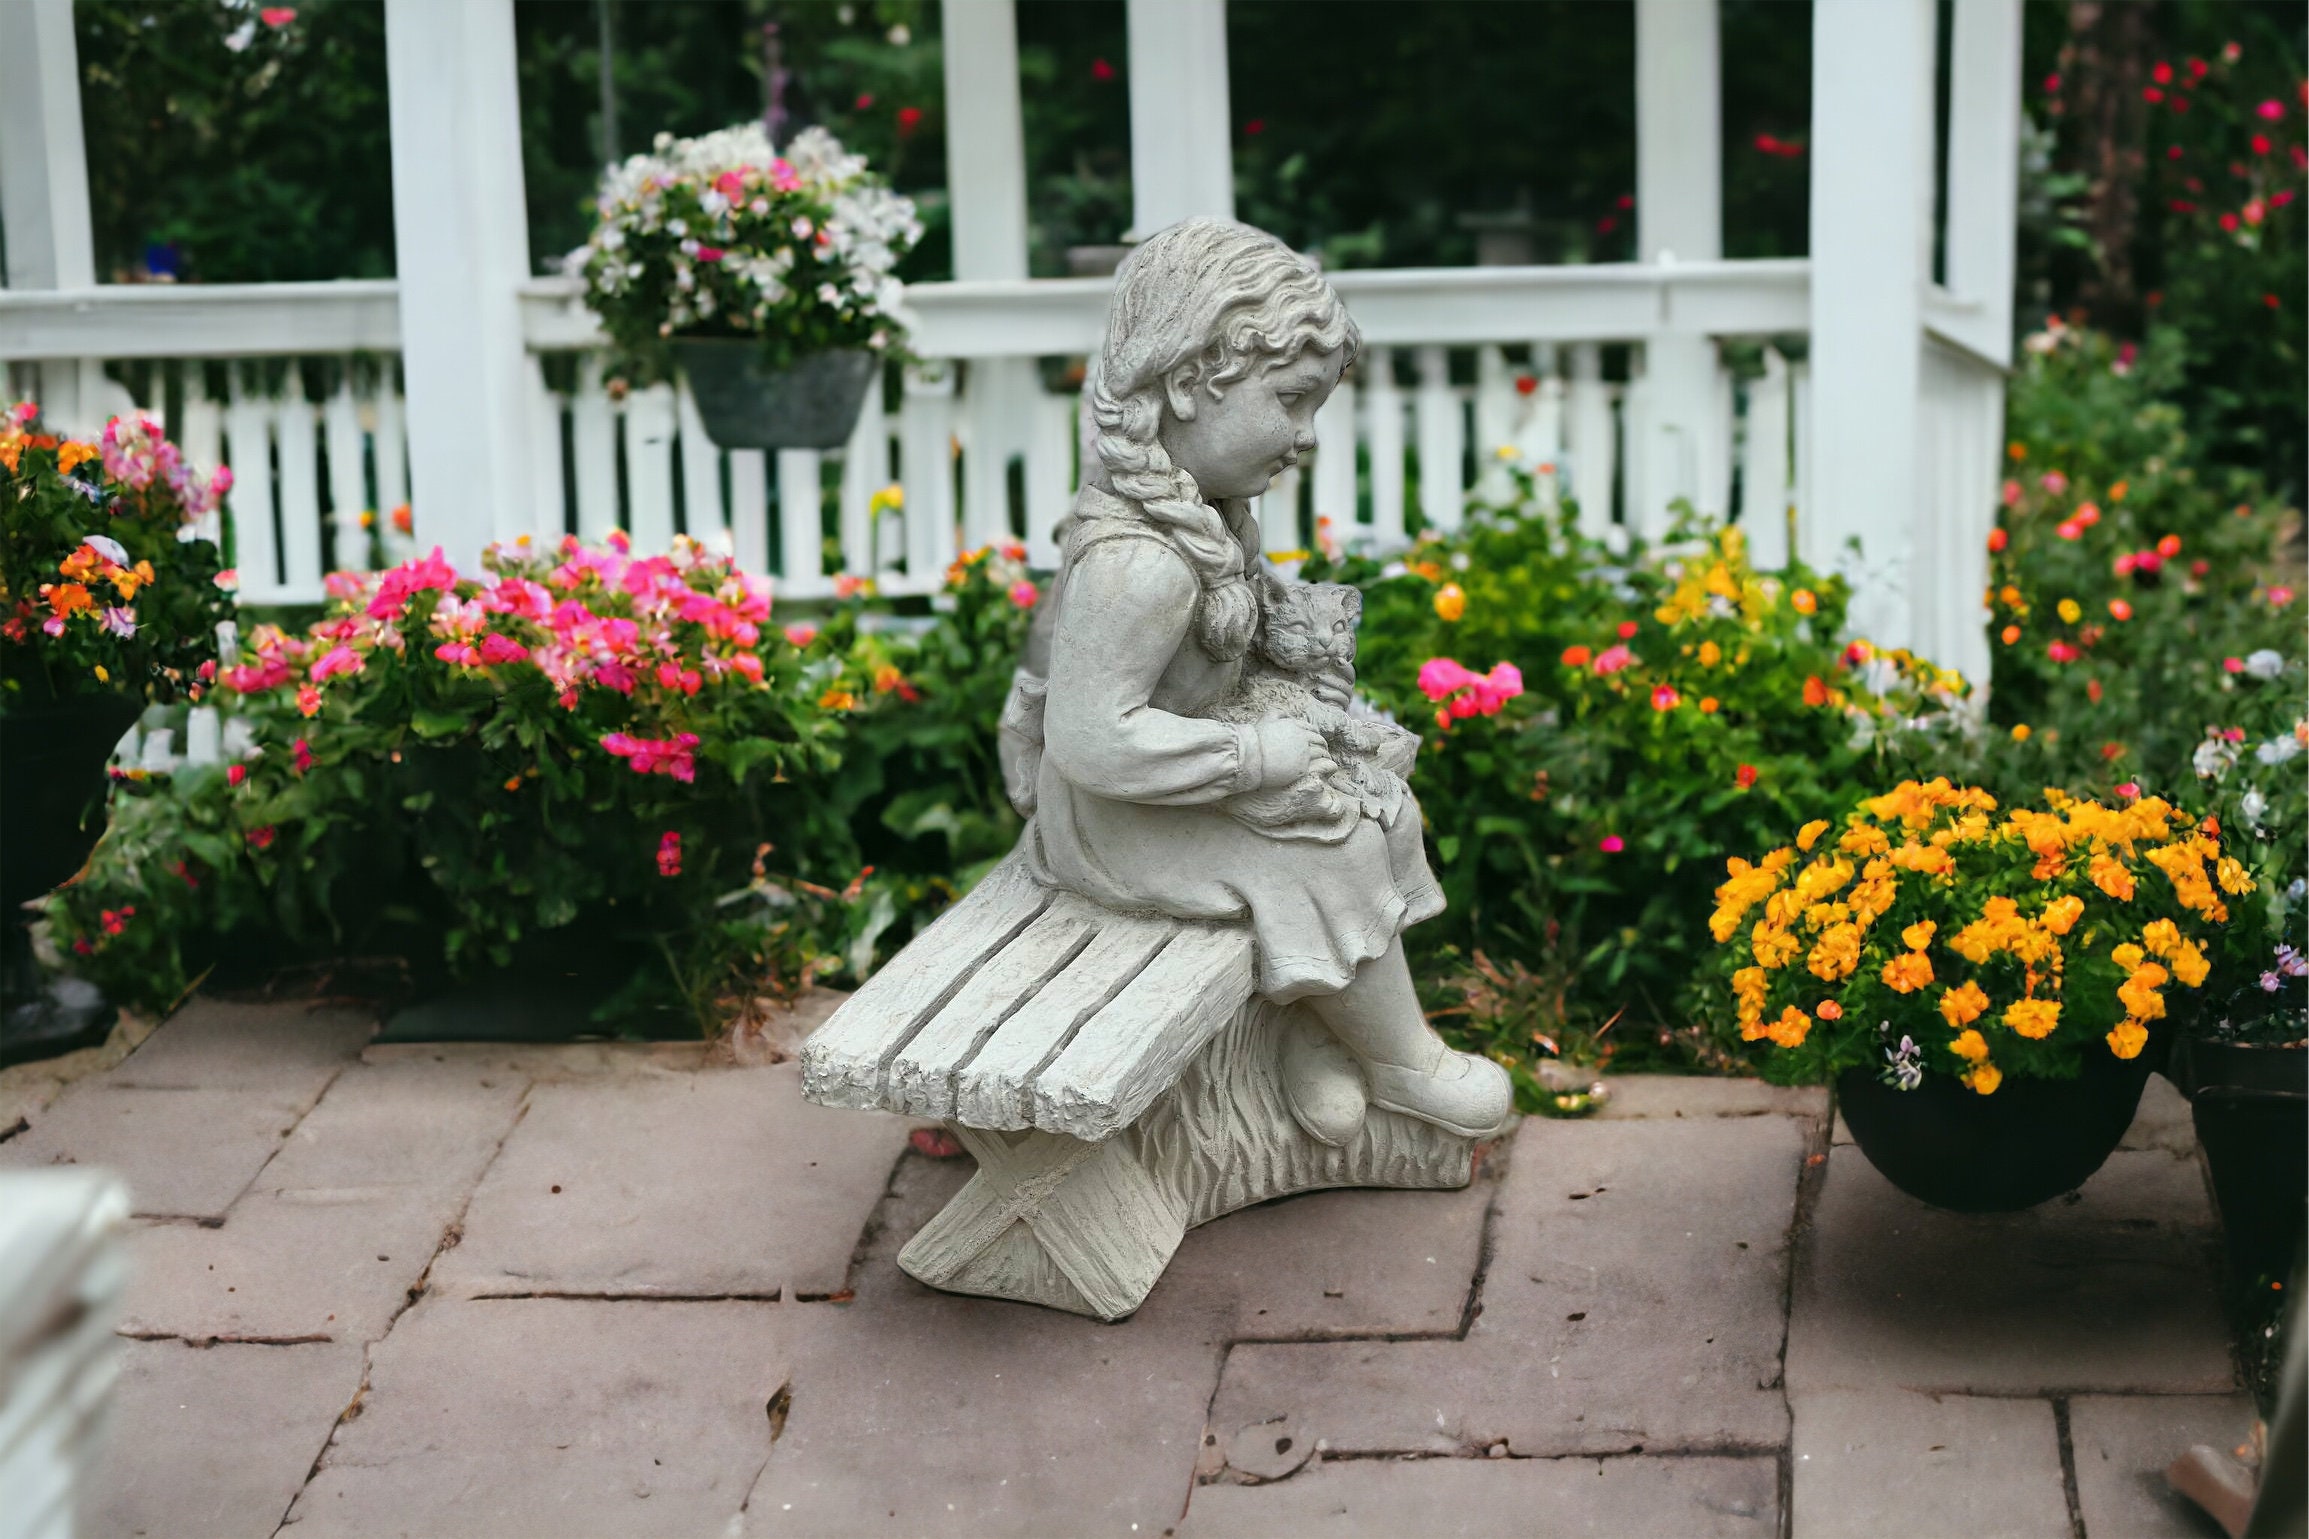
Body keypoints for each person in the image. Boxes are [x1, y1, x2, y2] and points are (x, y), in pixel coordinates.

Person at [1005, 217, 1513, 1147]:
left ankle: (1313, 1028)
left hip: (1183, 766)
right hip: (1114, 816)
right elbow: (1089, 740)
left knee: (1376, 797)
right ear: (1194, 383)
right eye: (1290, 400)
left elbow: (1233, 645)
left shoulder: (1207, 506)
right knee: (1326, 848)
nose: (1306, 434)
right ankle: (1405, 1064)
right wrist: (1251, 753)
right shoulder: (1139, 563)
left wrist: (1300, 663)